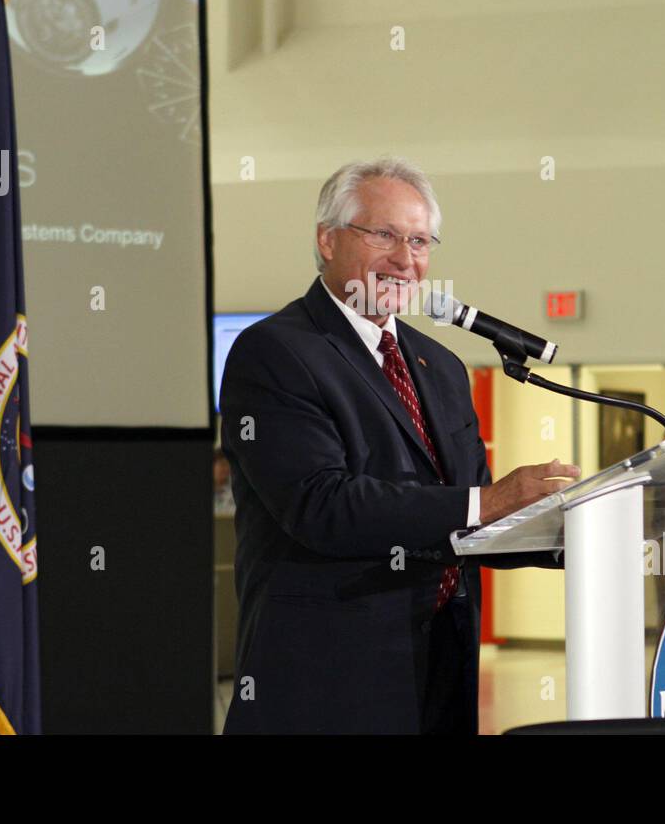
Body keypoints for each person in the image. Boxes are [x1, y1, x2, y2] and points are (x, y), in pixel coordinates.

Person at [220, 156, 579, 734]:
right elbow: (321, 506)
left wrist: (577, 532)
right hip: (328, 682)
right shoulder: (276, 353)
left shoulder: (440, 365)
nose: (405, 260)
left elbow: (467, 524)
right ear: (327, 240)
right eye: (384, 234)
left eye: (419, 240)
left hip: (440, 669)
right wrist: (484, 502)